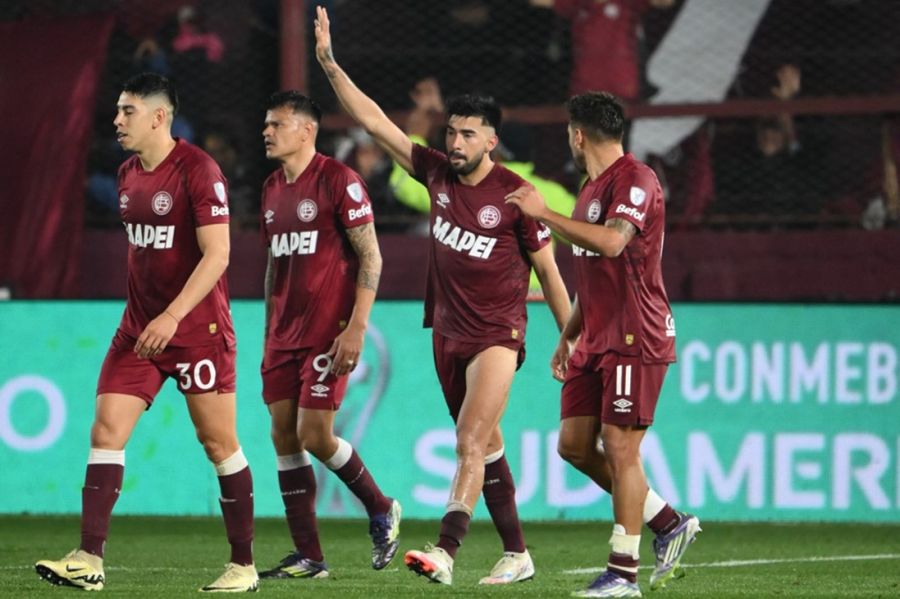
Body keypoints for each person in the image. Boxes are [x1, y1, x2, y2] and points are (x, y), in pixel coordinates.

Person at [314, 5, 572, 586]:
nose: (454, 142)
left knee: (468, 439)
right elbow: (377, 122)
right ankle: (518, 552)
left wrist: (569, 340)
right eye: (451, 131)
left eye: (467, 134)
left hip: (499, 334)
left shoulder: (516, 195)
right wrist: (330, 64)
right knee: (490, 446)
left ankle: (447, 550)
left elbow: (552, 275)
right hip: (447, 333)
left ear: (492, 140)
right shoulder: (434, 172)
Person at [34, 72, 258, 592]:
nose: (116, 120)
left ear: (160, 116)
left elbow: (219, 254)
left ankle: (243, 566)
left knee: (219, 442)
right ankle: (89, 558)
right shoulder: (126, 174)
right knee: (106, 430)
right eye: (117, 110)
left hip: (195, 330)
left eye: (127, 111)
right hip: (138, 330)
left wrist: (173, 316)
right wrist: (151, 318)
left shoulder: (200, 171)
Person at [505, 92, 700, 597]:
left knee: (619, 447)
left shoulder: (636, 179)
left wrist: (542, 213)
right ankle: (668, 522)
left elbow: (613, 242)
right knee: (573, 446)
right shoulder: (591, 188)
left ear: (577, 135)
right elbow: (594, 275)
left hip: (637, 332)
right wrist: (568, 336)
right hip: (596, 336)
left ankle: (623, 574)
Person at [255, 90, 401, 580]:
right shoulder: (273, 188)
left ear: (306, 130)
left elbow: (372, 256)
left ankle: (381, 508)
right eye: (267, 124)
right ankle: (309, 556)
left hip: (327, 332)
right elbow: (276, 264)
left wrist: (357, 326)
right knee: (282, 435)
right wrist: (268, 328)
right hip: (283, 334)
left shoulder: (340, 181)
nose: (267, 132)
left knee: (315, 434)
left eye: (277, 124)